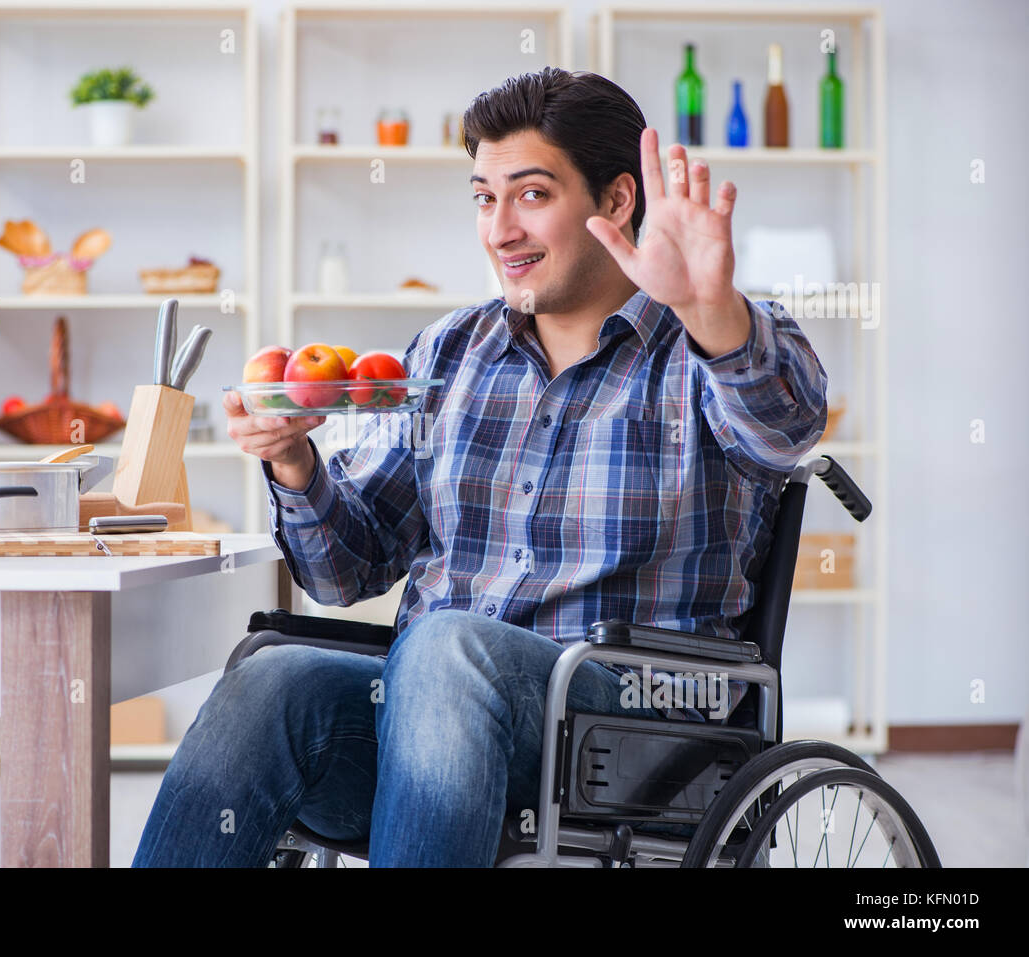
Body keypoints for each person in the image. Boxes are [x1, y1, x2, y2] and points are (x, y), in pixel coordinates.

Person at [133, 66, 828, 867]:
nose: (500, 229)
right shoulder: (448, 353)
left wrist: (713, 312)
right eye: (483, 197)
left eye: (532, 194)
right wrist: (295, 464)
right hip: (435, 737)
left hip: (638, 732)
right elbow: (346, 570)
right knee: (272, 683)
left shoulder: (704, 346)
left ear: (616, 202)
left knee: (447, 647)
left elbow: (786, 421)